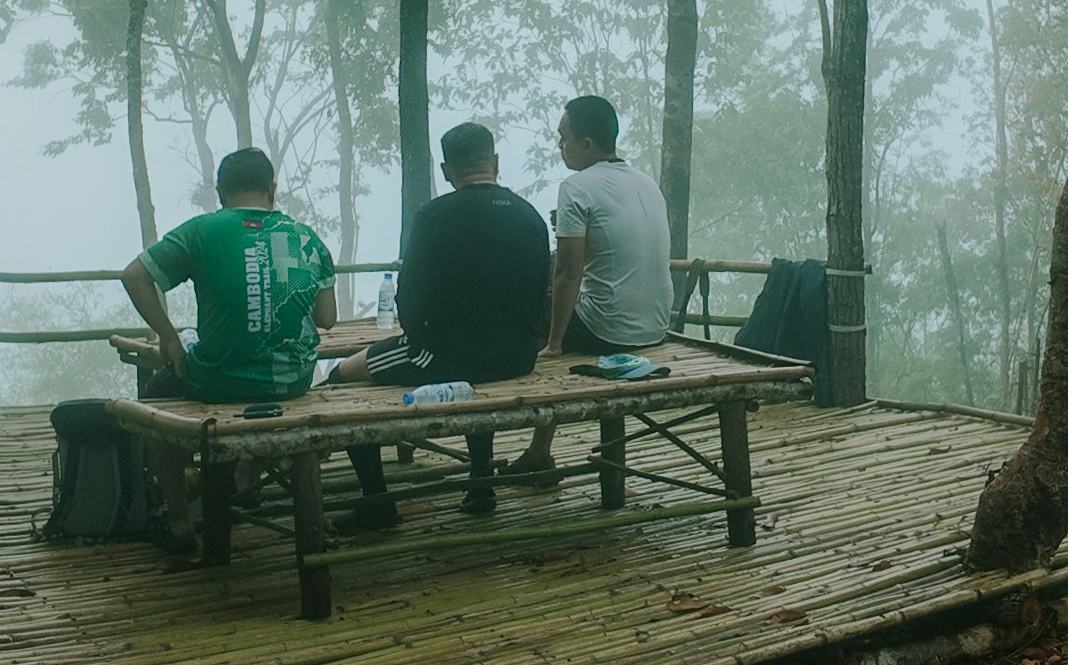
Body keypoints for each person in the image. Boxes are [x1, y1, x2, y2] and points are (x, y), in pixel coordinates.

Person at [358, 121, 553, 529]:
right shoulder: (529, 216)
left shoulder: (434, 217)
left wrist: (420, 337)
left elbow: (409, 300)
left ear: (446, 170)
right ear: (495, 162)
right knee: (474, 372)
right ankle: (480, 482)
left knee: (343, 380)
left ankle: (376, 499)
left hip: (444, 357)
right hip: (518, 359)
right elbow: (541, 296)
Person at [506, 90, 674, 482]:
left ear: (585, 144)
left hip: (608, 328)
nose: (559, 145)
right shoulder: (645, 181)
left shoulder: (577, 187)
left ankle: (507, 436)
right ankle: (538, 452)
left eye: (563, 137)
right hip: (655, 322)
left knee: (525, 315)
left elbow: (567, 273)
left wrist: (554, 343)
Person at [123, 148, 335, 406]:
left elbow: (134, 276)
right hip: (292, 383)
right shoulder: (306, 238)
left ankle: (177, 446)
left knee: (158, 388)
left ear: (221, 193)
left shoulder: (201, 231)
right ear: (272, 190)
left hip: (217, 382)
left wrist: (169, 338)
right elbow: (327, 318)